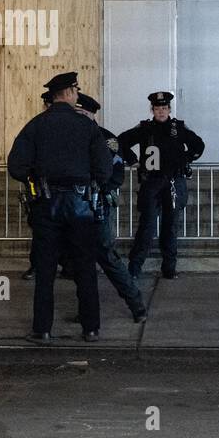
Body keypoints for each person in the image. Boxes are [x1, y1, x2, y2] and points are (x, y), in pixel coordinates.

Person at [7, 72, 112, 343]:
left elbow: (15, 166)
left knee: (45, 270)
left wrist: (35, 177)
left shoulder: (36, 125)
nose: (78, 93)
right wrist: (91, 183)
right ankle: (90, 328)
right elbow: (104, 168)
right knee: (85, 268)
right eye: (76, 89)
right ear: (67, 92)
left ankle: (42, 329)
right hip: (80, 205)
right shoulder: (87, 127)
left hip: (47, 205)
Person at [117, 91, 205, 280]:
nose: (161, 112)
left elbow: (198, 145)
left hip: (174, 182)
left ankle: (169, 269)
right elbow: (120, 142)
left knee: (170, 227)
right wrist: (132, 161)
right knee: (147, 227)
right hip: (152, 183)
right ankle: (134, 269)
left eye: (164, 108)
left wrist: (186, 159)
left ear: (169, 109)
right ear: (152, 110)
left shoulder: (179, 128)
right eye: (158, 108)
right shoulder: (144, 128)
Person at [77, 93, 147, 323]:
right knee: (80, 261)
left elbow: (116, 174)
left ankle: (136, 304)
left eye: (82, 114)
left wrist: (100, 188)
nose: (78, 118)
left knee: (107, 257)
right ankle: (86, 310)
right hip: (77, 205)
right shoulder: (71, 136)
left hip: (98, 205)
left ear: (91, 114)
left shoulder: (107, 139)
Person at [20, 90, 53, 282]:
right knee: (40, 232)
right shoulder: (37, 126)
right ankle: (37, 266)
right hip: (40, 187)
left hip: (58, 188)